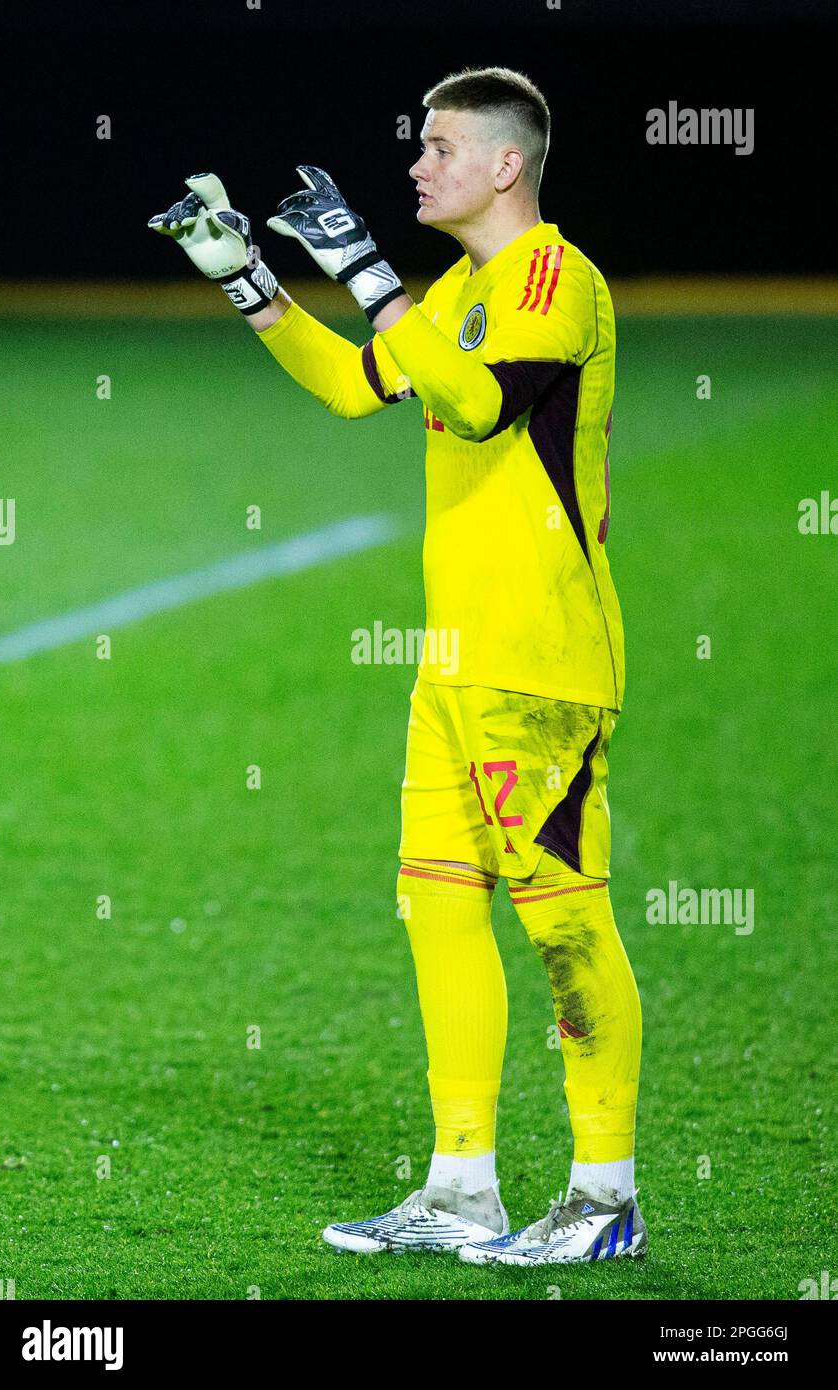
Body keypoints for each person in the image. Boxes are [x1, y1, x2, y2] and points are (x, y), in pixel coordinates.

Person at [149, 64, 645, 1266]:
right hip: (451, 664)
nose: (415, 165)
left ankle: (603, 1198)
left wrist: (369, 274)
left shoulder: (551, 281)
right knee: (436, 908)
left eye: (436, 147)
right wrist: (248, 279)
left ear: (503, 165)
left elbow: (474, 405)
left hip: (538, 663)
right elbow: (353, 384)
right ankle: (461, 1184)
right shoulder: (464, 287)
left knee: (563, 928)